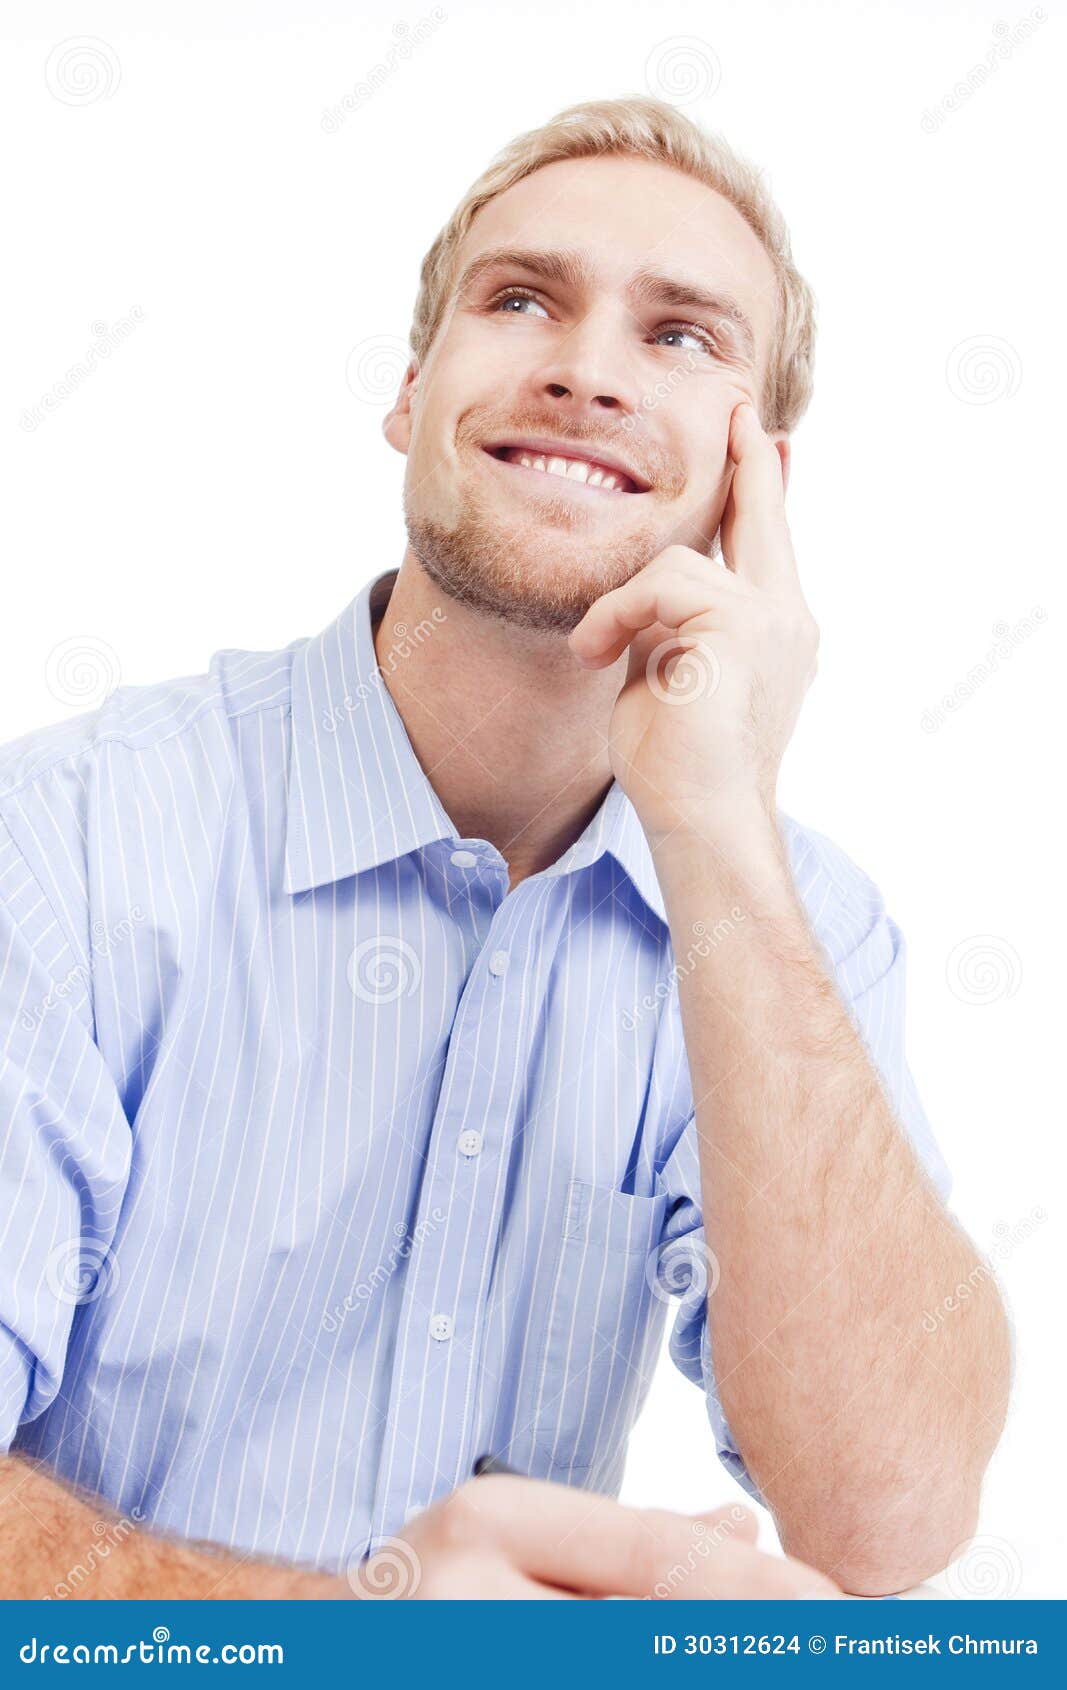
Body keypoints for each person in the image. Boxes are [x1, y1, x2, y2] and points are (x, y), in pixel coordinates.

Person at [0, 97, 1009, 1600]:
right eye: (521, 297)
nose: (585, 368)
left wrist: (719, 831)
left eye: (680, 337)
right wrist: (354, 1635)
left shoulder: (797, 925)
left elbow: (892, 1516)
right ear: (411, 391)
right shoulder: (68, 843)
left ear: (760, 483)